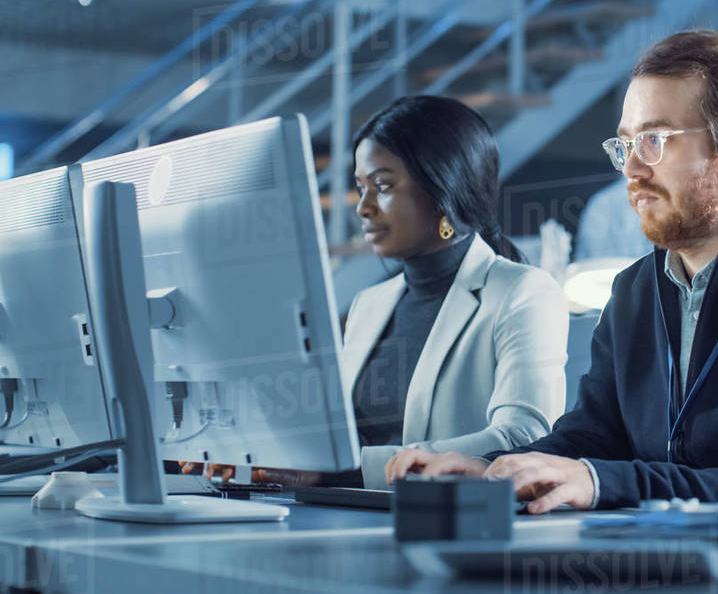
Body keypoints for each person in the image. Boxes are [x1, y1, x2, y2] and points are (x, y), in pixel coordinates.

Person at [382, 29, 718, 513]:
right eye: (625, 144)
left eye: (654, 140)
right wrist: (499, 470)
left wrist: (599, 482)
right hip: (688, 563)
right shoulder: (635, 290)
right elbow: (594, 436)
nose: (633, 169)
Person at [185, 95, 568, 488]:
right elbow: (340, 440)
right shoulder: (370, 305)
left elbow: (523, 440)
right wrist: (258, 452)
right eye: (360, 187)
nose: (363, 207)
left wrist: (345, 469)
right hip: (351, 519)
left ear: (443, 189)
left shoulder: (522, 292)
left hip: (452, 528)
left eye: (382, 185)